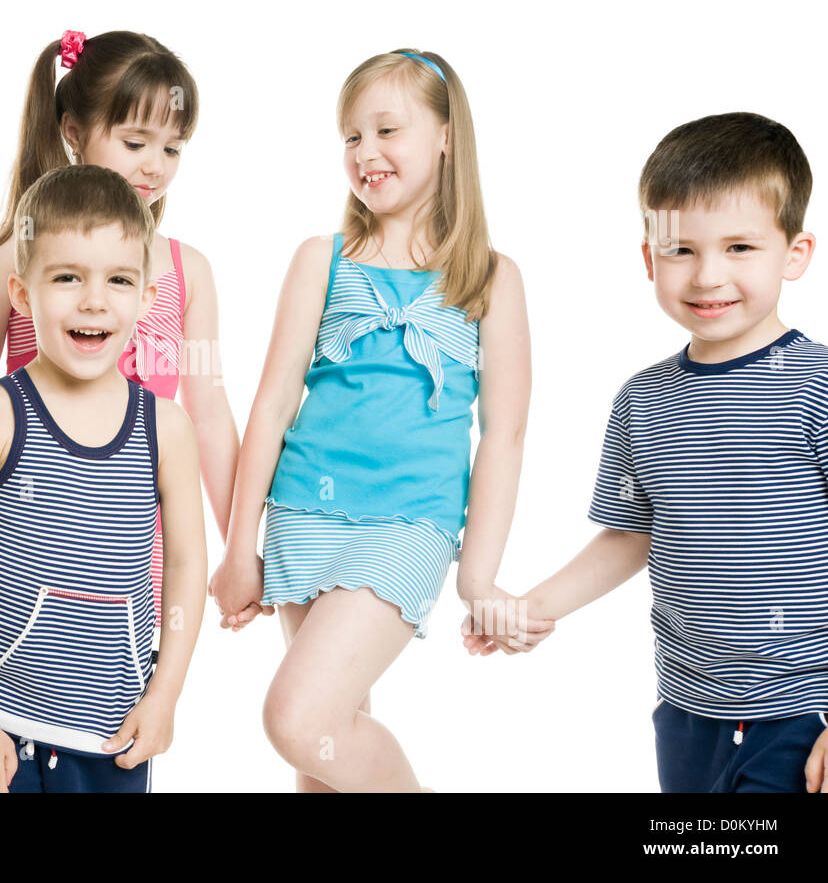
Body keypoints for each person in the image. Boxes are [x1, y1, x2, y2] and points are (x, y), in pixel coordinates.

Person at [208, 49, 549, 792]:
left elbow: (505, 434)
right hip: (303, 513)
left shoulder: (492, 278)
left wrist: (480, 575)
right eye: (351, 136)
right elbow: (270, 404)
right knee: (328, 739)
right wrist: (239, 546)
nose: (366, 153)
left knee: (298, 717)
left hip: (408, 524)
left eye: (387, 129)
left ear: (446, 134)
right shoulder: (320, 260)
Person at [466, 112, 828, 794]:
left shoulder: (817, 386)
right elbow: (632, 533)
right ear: (648, 259)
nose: (707, 274)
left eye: (740, 247)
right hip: (687, 713)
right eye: (681, 250)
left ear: (796, 253)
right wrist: (531, 604)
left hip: (802, 714)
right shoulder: (644, 399)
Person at [0, 31, 239, 645]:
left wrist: (241, 549)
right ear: (74, 130)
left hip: (134, 553)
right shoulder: (8, 260)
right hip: (24, 536)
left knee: (122, 711)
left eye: (173, 148)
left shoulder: (186, 272)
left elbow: (211, 414)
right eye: (135, 142)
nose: (155, 165)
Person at [0, 164, 206, 792]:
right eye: (67, 277)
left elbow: (185, 566)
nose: (94, 299)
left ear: (148, 297)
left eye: (118, 280)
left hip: (114, 743)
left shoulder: (167, 430)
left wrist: (166, 698)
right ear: (23, 295)